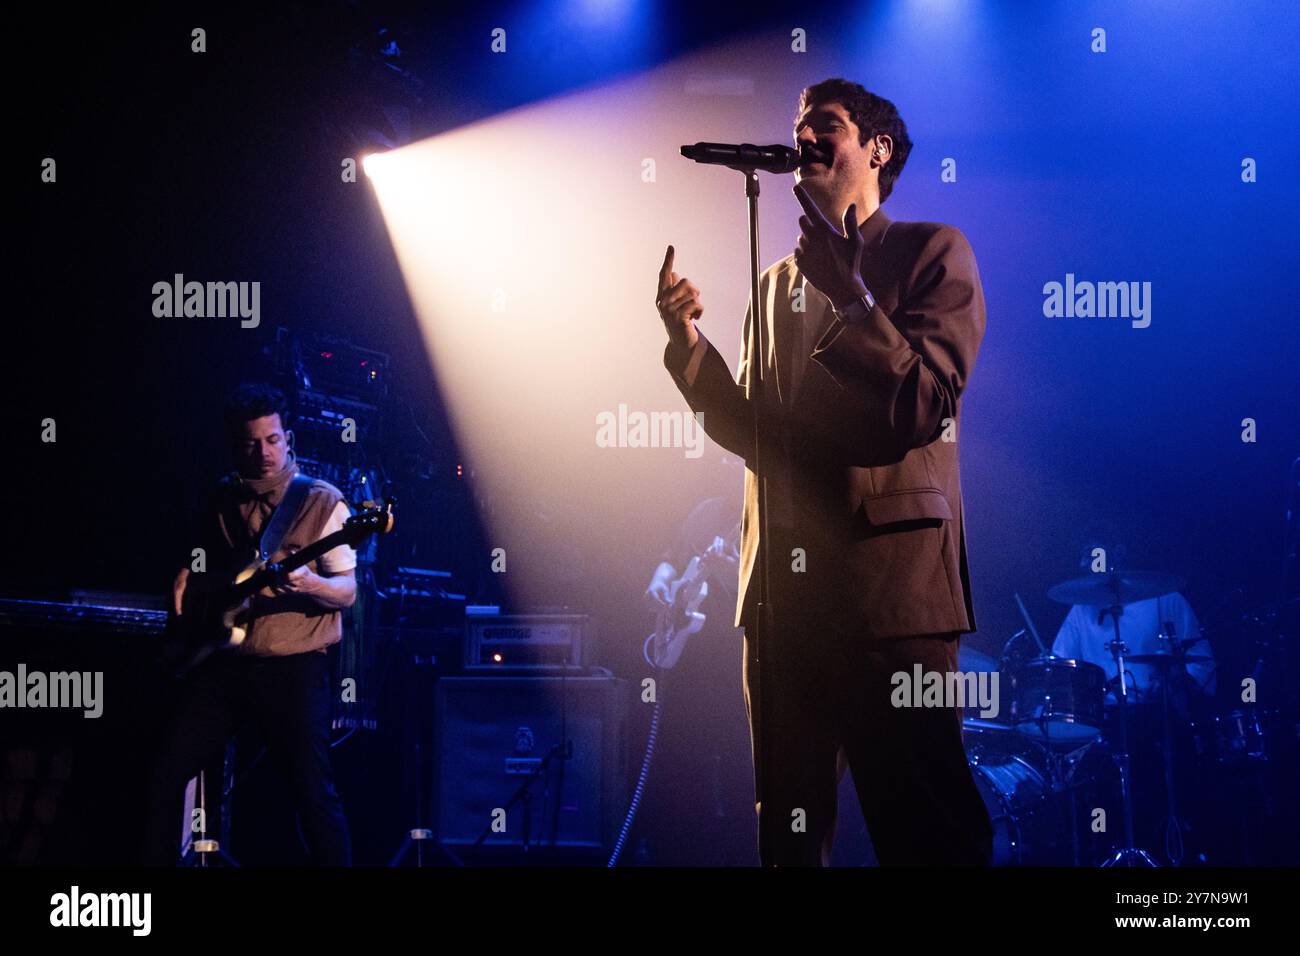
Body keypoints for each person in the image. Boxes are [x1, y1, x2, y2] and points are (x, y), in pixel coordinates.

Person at [655, 78, 991, 865]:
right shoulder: (774, 285)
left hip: (889, 599)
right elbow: (757, 437)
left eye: (825, 125)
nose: (804, 138)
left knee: (925, 829)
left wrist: (851, 299)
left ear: (877, 148)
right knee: (790, 832)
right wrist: (687, 346)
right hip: (781, 604)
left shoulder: (931, 252)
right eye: (797, 126)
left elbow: (923, 404)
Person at [142, 382, 356, 865]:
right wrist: (186, 573)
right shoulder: (223, 496)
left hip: (295, 666)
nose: (263, 452)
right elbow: (206, 561)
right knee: (164, 773)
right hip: (228, 661)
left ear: (289, 439)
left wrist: (308, 586)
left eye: (272, 440)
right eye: (250, 443)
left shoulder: (322, 502)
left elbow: (348, 592)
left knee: (312, 797)